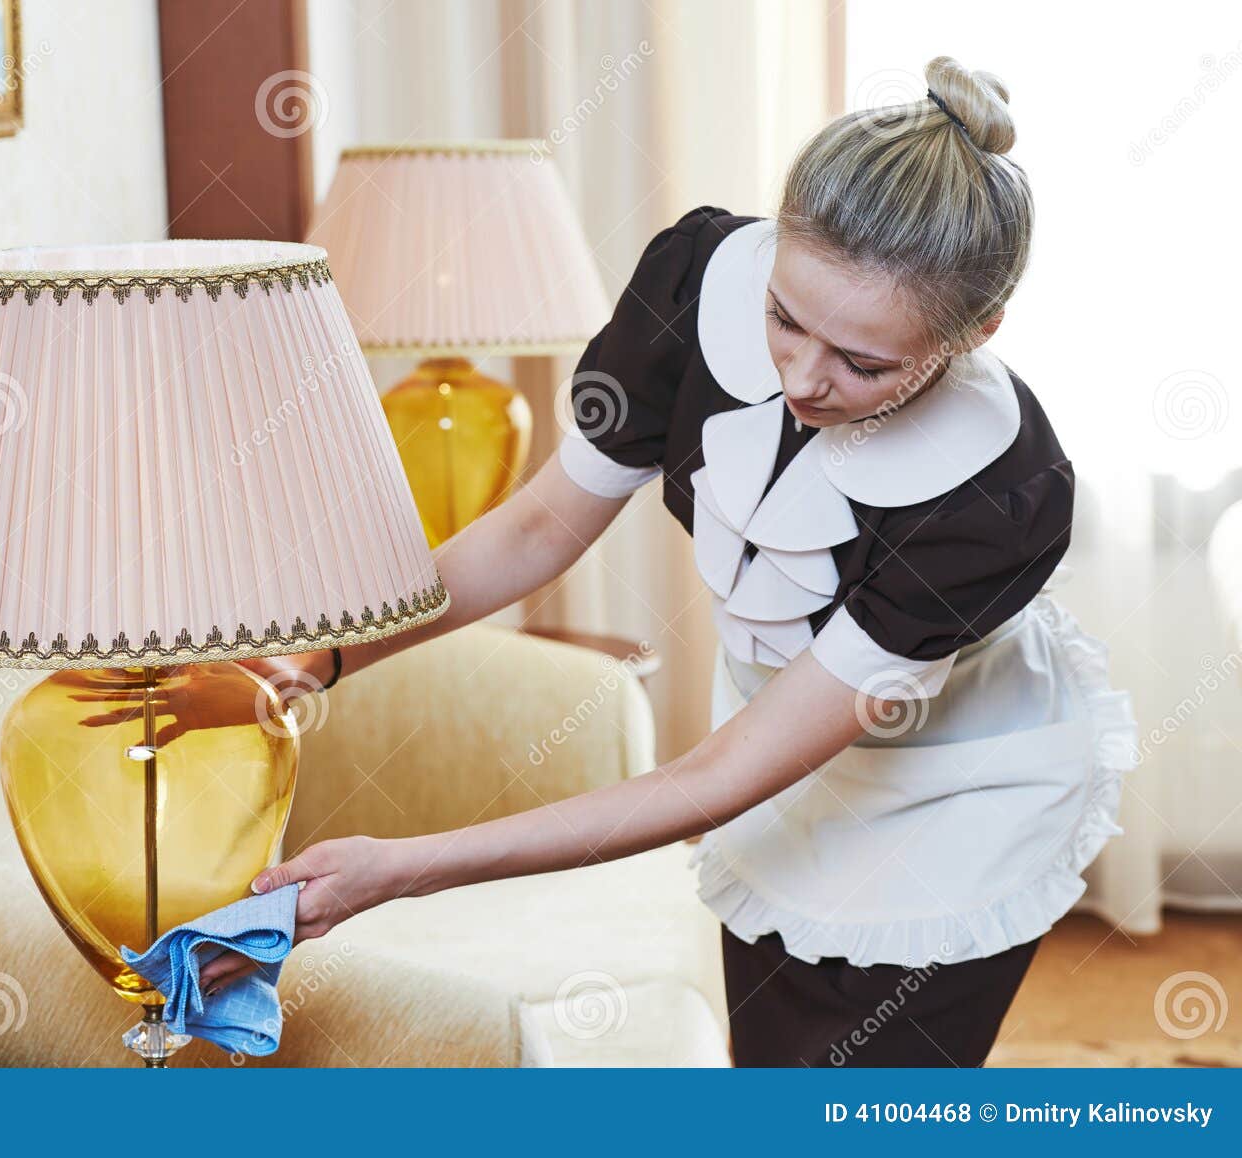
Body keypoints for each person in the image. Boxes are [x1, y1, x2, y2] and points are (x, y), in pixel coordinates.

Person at [201, 55, 1137, 1067]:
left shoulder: (996, 497)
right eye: (785, 317)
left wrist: (401, 868)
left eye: (863, 363)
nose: (802, 380)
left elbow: (717, 775)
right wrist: (322, 659)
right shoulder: (697, 280)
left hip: (951, 801)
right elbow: (537, 531)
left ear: (978, 332)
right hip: (774, 752)